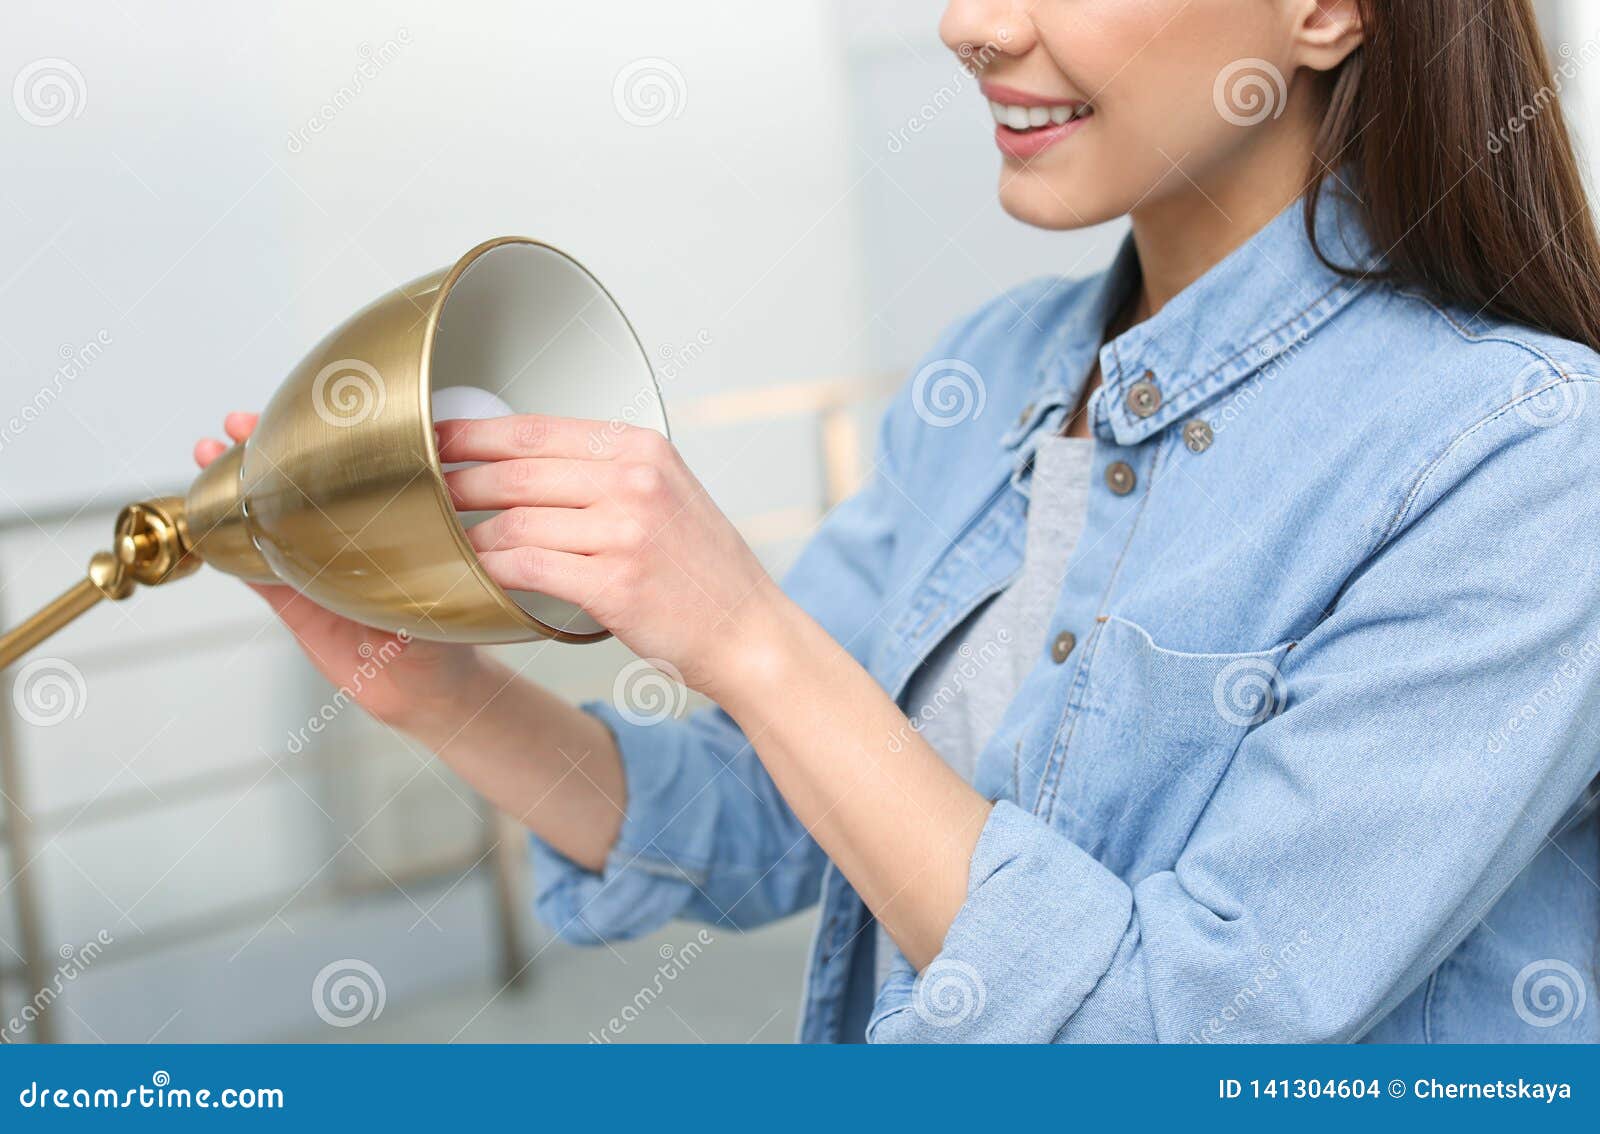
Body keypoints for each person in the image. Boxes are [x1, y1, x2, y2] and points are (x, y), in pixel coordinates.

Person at [195, 0, 1600, 1042]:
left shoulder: (1524, 456)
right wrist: (437, 688)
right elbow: (769, 815)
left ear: (1325, 14)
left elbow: (1184, 1038)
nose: (971, 25)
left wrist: (744, 628)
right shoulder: (990, 370)